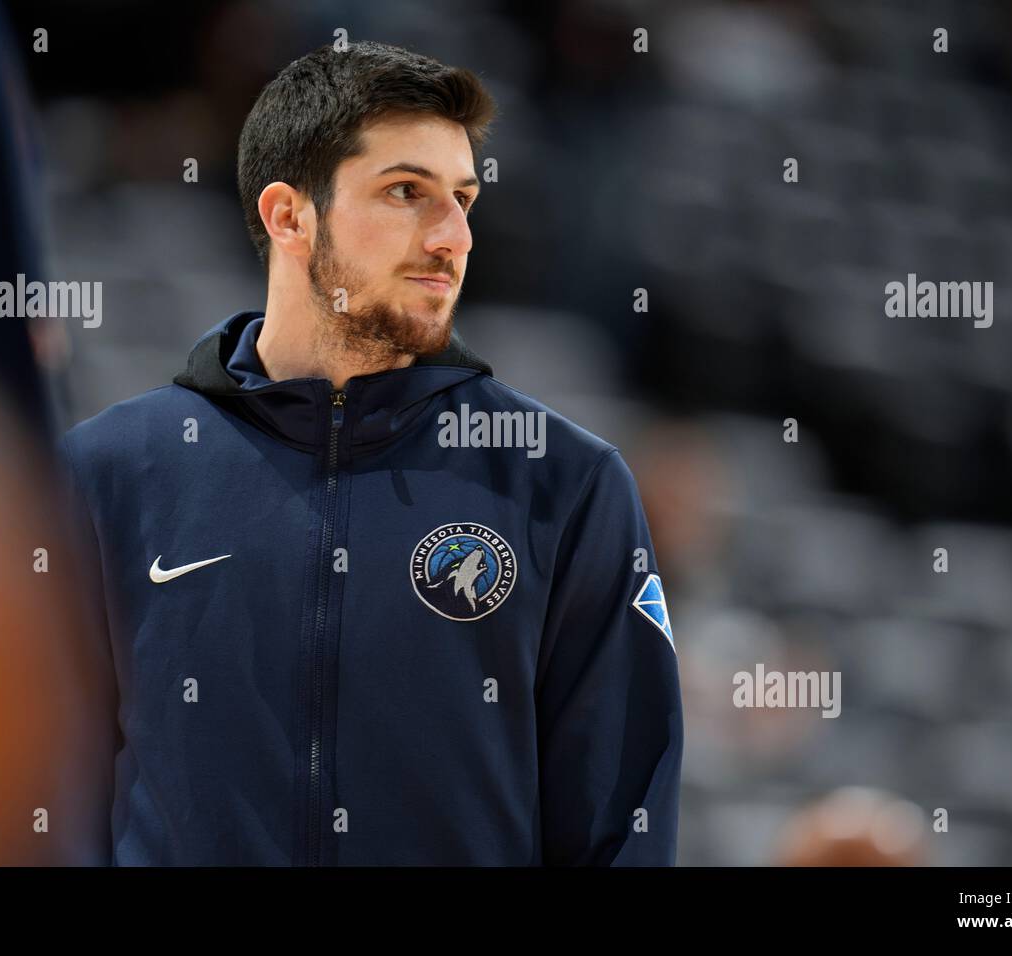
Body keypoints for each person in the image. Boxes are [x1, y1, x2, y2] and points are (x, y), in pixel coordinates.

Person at [57, 40, 683, 865]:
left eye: (463, 199)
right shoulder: (108, 474)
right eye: (406, 193)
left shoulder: (564, 482)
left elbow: (621, 828)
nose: (453, 236)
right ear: (289, 216)